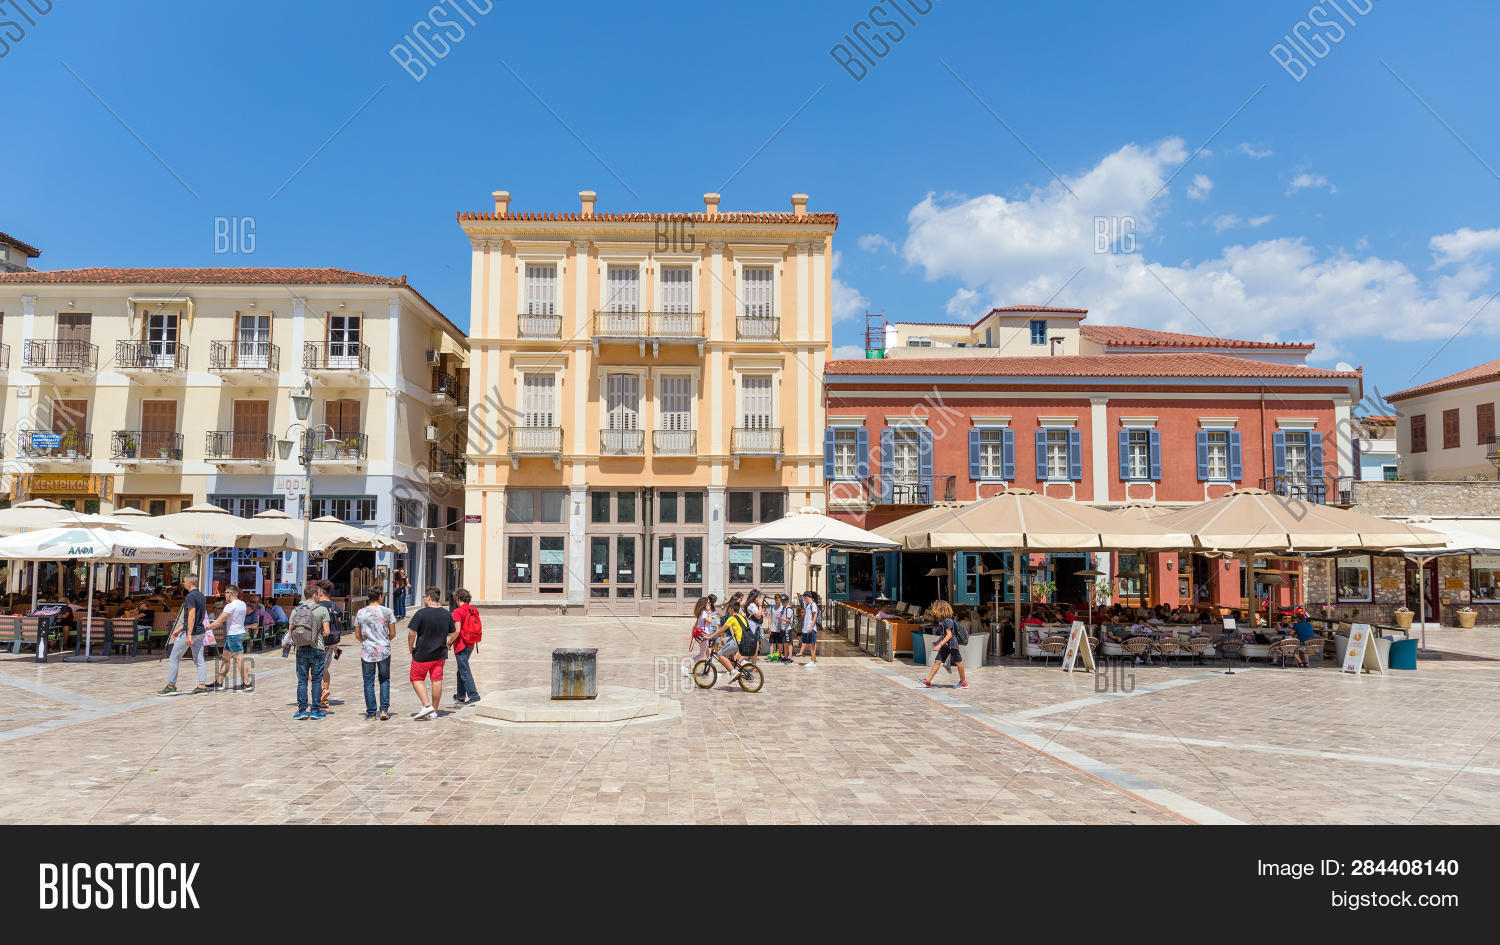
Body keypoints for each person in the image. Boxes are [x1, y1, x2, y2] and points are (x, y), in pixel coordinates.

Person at [407, 586, 459, 720]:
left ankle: (427, 705)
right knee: (436, 680)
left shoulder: (421, 613)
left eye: (424, 597)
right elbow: (453, 633)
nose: (424, 599)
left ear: (429, 598)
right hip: (440, 654)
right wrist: (448, 642)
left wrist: (410, 647)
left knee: (416, 678)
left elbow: (412, 633)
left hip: (422, 654)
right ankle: (434, 711)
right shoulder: (446, 614)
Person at [157, 574, 209, 696]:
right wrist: (179, 629)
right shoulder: (201, 596)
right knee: (199, 659)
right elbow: (196, 617)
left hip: (191, 632)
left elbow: (191, 616)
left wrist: (188, 634)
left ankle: (171, 686)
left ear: (189, 582)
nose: (183, 583)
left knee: (174, 658)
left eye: (184, 581)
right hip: (200, 632)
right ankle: (202, 686)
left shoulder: (190, 596)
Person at [291, 583, 332, 720]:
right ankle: (315, 710)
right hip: (317, 648)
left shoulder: (296, 610)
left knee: (302, 681)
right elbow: (327, 631)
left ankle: (302, 710)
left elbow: (291, 633)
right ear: (315, 595)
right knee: (316, 680)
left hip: (301, 648)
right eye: (318, 595)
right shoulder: (322, 610)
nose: (319, 597)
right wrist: (318, 634)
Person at [355, 587, 397, 720]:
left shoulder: (361, 612)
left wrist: (366, 642)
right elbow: (393, 633)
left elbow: (357, 634)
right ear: (380, 596)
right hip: (384, 650)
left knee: (368, 681)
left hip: (367, 650)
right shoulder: (387, 611)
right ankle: (384, 710)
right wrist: (384, 641)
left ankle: (371, 713)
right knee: (384, 679)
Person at [206, 585, 250, 692]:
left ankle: (247, 684)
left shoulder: (230, 606)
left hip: (234, 635)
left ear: (230, 593)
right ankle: (219, 682)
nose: (225, 595)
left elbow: (219, 621)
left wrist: (205, 629)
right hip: (237, 633)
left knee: (239, 659)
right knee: (226, 659)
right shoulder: (242, 604)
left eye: (225, 593)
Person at [921, 600, 967, 689]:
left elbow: (949, 635)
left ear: (940, 609)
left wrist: (939, 645)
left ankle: (963, 682)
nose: (934, 610)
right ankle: (927, 681)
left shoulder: (947, 620)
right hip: (945, 645)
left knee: (958, 662)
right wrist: (937, 642)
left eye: (935, 608)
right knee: (937, 661)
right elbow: (944, 635)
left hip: (952, 645)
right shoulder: (942, 620)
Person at [704, 599, 750, 682]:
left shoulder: (732, 618)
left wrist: (710, 636)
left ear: (732, 609)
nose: (728, 610)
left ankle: (733, 671)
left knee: (720, 654)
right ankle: (732, 662)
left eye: (729, 609)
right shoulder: (742, 617)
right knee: (724, 640)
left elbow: (721, 630)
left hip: (738, 641)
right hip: (745, 640)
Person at [450, 587, 482, 705]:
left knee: (464, 670)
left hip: (461, 644)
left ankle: (474, 696)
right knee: (461, 670)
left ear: (458, 598)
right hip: (471, 643)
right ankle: (460, 696)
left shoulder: (458, 611)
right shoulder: (473, 609)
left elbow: (457, 631)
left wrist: (449, 642)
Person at [318, 579, 344, 709]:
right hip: (331, 642)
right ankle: (324, 698)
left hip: (318, 641)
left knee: (311, 670)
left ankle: (322, 691)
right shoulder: (335, 607)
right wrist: (336, 647)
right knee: (324, 669)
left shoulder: (317, 607)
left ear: (320, 592)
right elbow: (337, 626)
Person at [683, 596, 716, 676]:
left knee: (710, 654)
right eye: (708, 602)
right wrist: (709, 612)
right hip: (705, 635)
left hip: (705, 635)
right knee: (702, 654)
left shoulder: (701, 612)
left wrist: (691, 634)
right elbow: (710, 621)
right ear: (704, 604)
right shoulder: (704, 612)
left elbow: (696, 624)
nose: (710, 604)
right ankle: (686, 667)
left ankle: (712, 672)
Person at [796, 590, 821, 668]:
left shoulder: (813, 605)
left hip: (810, 628)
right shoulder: (808, 605)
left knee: (811, 645)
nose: (804, 600)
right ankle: (813, 660)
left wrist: (811, 626)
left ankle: (813, 661)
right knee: (810, 645)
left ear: (806, 597)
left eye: (804, 598)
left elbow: (815, 615)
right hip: (807, 628)